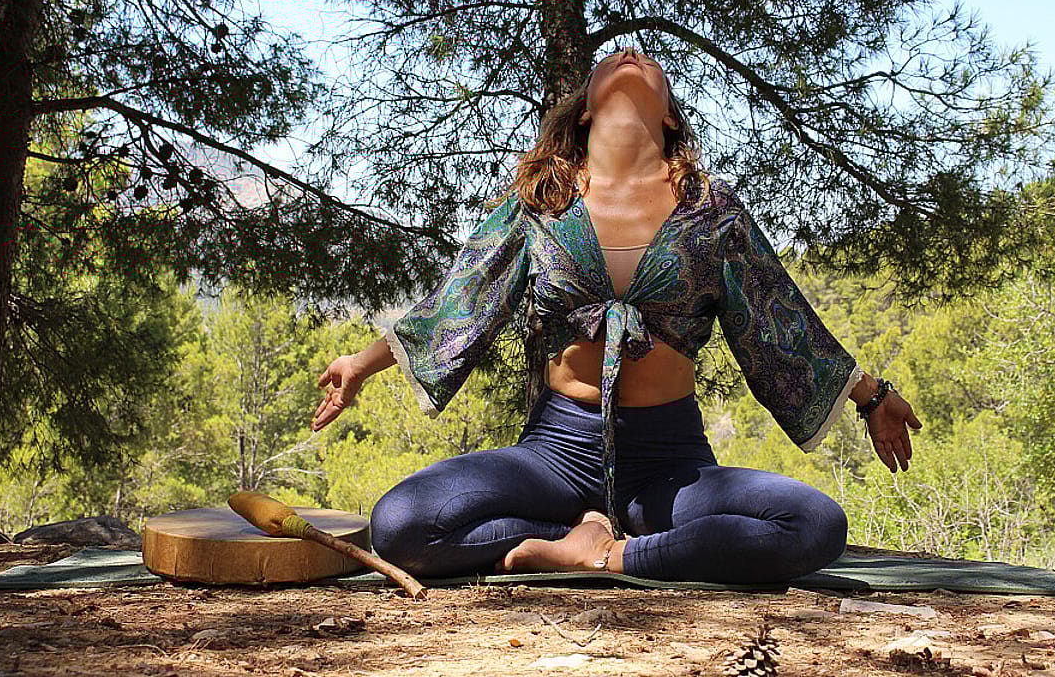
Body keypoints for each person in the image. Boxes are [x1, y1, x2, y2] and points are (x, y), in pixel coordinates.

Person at [313, 46, 922, 584]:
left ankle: (612, 556)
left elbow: (780, 318)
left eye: (649, 62)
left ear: (669, 115)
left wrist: (871, 398)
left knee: (815, 523)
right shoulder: (540, 205)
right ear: (585, 111)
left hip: (671, 464)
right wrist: (361, 365)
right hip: (554, 454)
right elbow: (459, 302)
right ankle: (574, 532)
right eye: (614, 61)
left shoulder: (712, 213)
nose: (631, 54)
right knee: (400, 525)